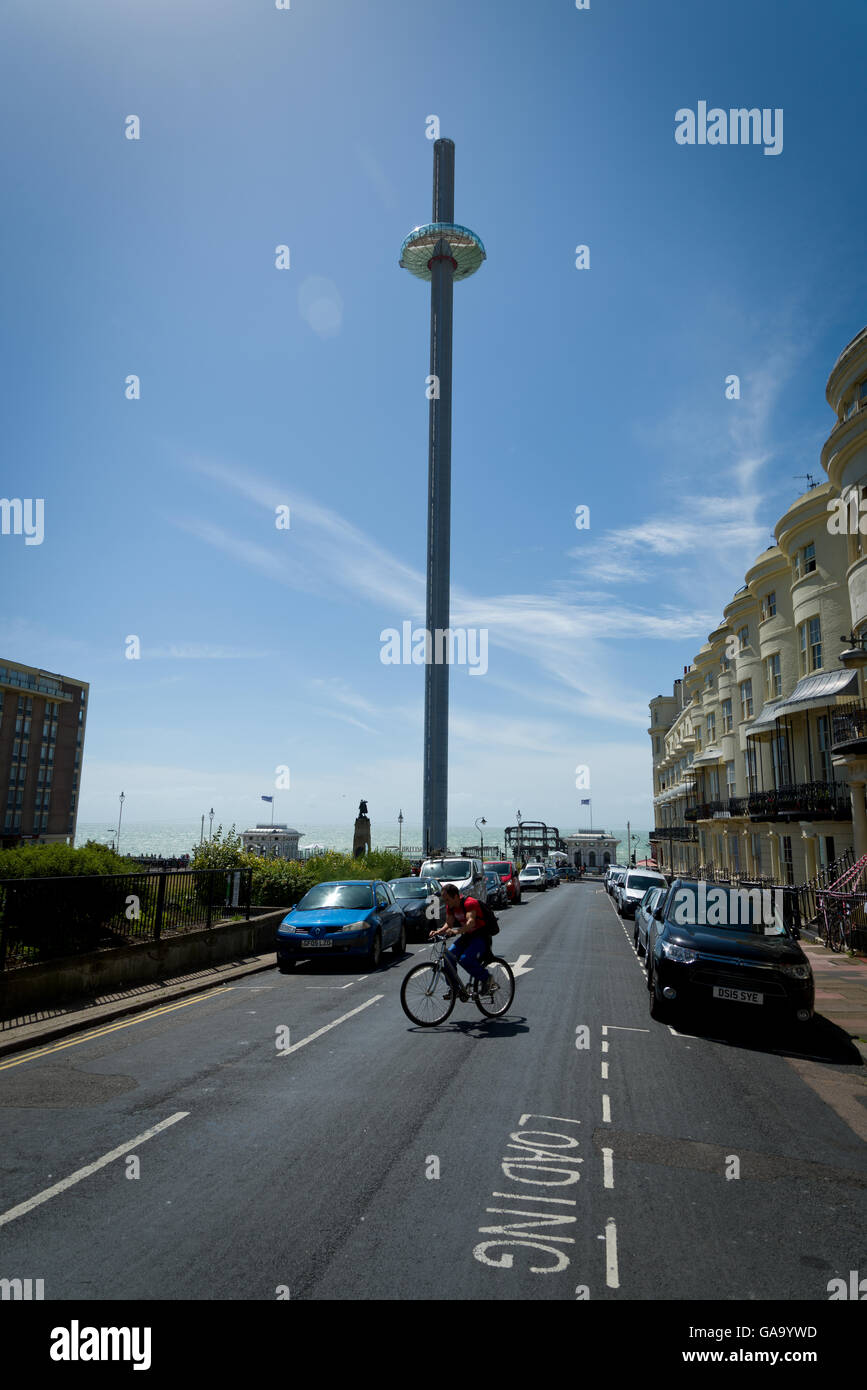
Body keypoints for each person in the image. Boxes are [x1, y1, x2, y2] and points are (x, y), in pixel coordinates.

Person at [429, 883, 497, 999]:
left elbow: (471, 922)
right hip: (468, 936)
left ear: (456, 896)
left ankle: (487, 979)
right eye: (444, 900)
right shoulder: (450, 906)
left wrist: (456, 932)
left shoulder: (470, 903)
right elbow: (449, 923)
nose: (446, 902)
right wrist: (438, 931)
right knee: (448, 956)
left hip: (481, 936)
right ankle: (454, 988)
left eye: (447, 899)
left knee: (465, 959)